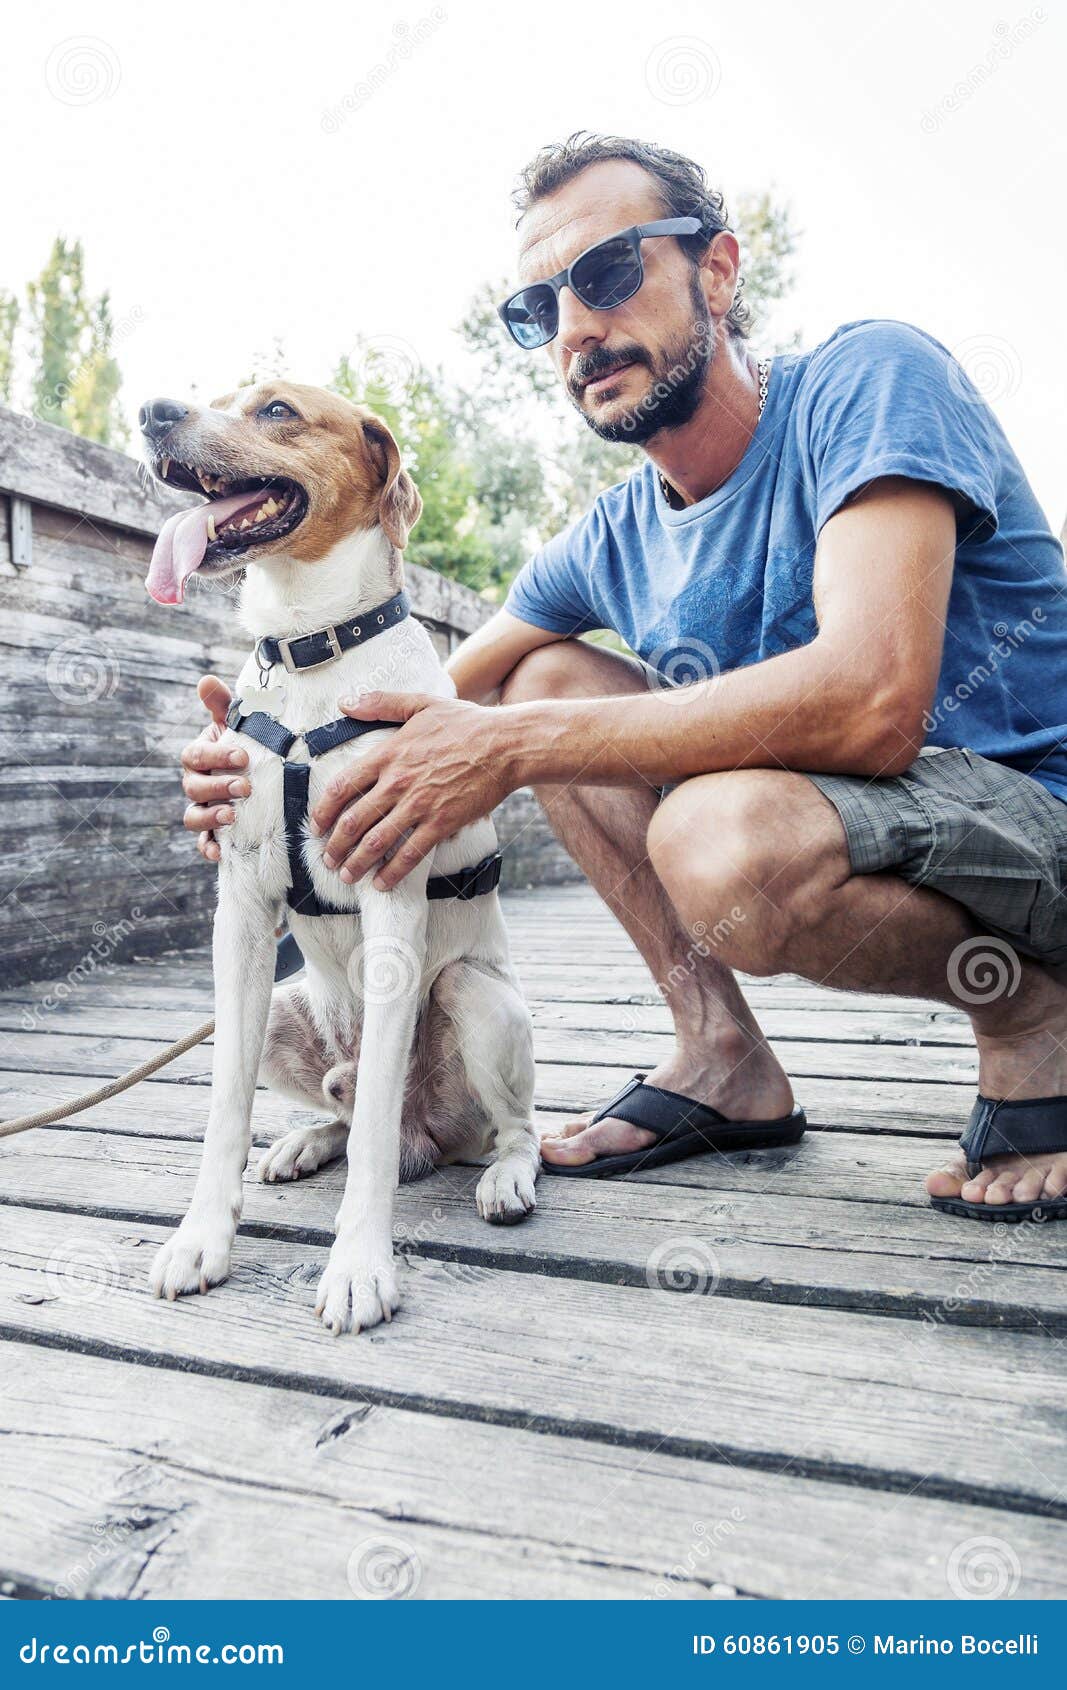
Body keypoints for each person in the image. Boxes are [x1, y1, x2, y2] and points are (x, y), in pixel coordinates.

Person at [180, 134, 1067, 1221]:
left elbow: (872, 703)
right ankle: (720, 1051)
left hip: (1034, 812)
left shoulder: (869, 378)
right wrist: (276, 764)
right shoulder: (606, 535)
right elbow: (426, 706)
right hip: (870, 826)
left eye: (605, 275)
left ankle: (1030, 1017)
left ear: (717, 270)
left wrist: (510, 748)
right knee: (540, 675)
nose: (574, 331)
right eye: (536, 310)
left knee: (711, 838)